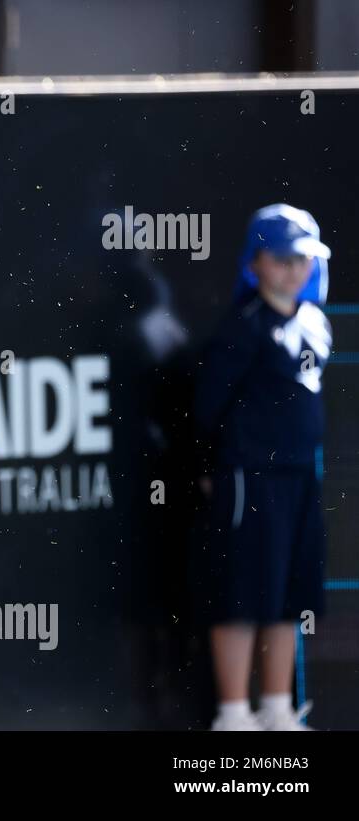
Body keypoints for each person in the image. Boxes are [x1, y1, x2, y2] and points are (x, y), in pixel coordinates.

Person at [194, 204, 332, 731]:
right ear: (256, 263)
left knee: (287, 596)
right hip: (247, 481)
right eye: (281, 259)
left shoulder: (316, 322)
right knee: (242, 593)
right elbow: (207, 408)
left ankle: (277, 705)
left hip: (300, 481)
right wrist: (213, 469)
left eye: (302, 259)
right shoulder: (241, 328)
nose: (293, 270)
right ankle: (233, 712)